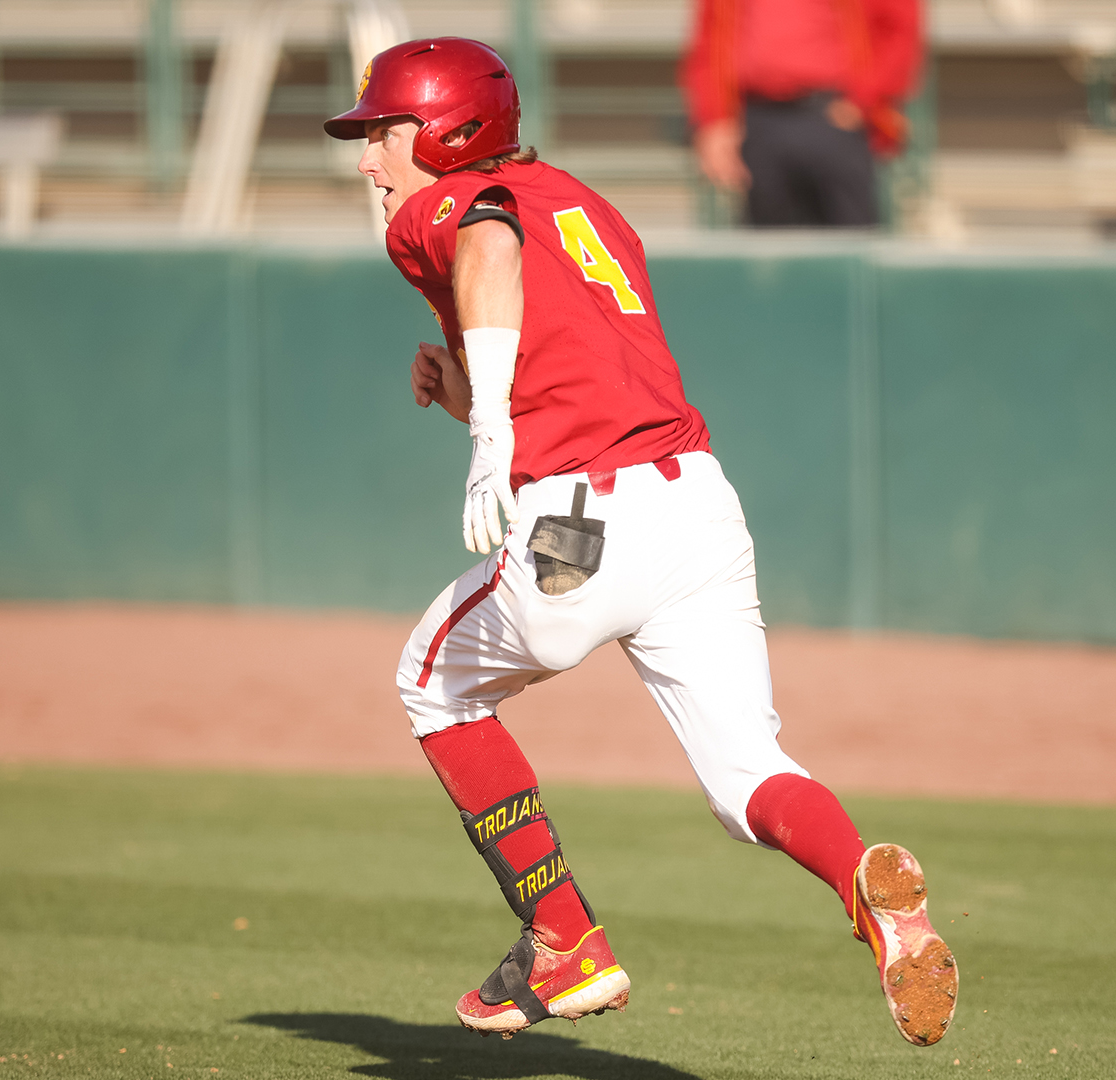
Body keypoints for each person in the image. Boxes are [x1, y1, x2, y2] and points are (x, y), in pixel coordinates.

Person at [323, 37, 956, 1045]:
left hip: (581, 529)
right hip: (697, 507)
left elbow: (486, 241)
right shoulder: (587, 204)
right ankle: (871, 893)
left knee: (431, 682)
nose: (370, 160)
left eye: (384, 134)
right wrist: (474, 397)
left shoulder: (445, 203)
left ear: (446, 131)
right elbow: (570, 369)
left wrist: (486, 431)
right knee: (749, 772)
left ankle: (563, 938)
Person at [681, 0, 923, 227]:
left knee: (850, 248)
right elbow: (711, 36)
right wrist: (715, 119)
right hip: (759, 119)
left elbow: (898, 29)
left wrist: (863, 101)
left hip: (834, 118)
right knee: (771, 256)